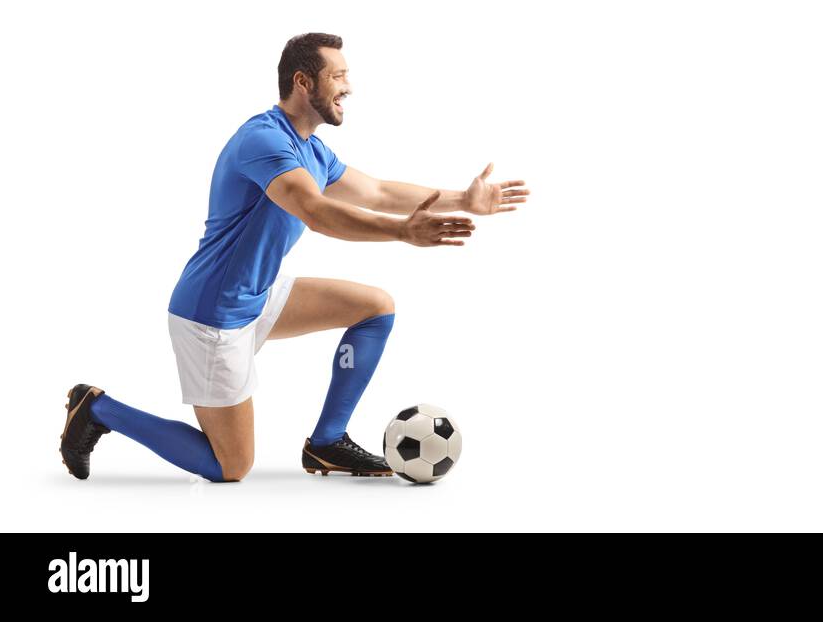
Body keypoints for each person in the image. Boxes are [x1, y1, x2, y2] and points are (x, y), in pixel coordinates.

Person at [60, 32, 528, 481]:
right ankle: (98, 409)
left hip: (255, 295)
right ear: (303, 82)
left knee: (375, 307)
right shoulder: (264, 141)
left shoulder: (312, 149)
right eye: (338, 75)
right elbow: (317, 210)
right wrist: (403, 233)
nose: (349, 86)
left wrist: (462, 201)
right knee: (230, 466)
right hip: (213, 314)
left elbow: (379, 191)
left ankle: (325, 443)